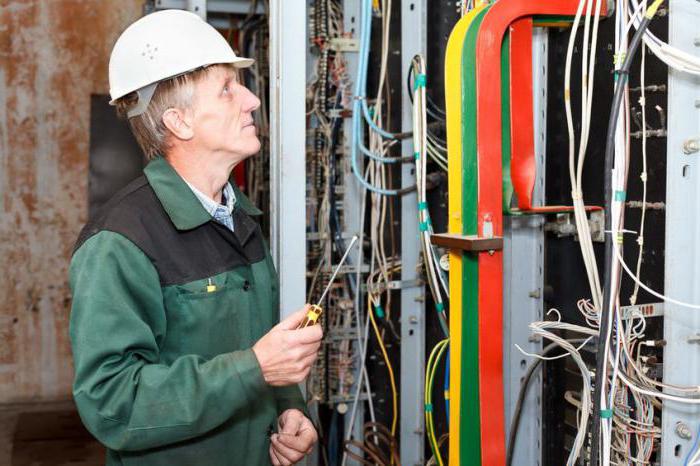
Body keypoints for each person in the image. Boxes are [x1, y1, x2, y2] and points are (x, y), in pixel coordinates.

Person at [69, 9, 321, 466]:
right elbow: (112, 404)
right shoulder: (119, 243)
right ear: (179, 122)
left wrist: (289, 407)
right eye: (226, 88)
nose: (251, 100)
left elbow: (255, 345)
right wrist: (255, 369)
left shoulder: (239, 216)